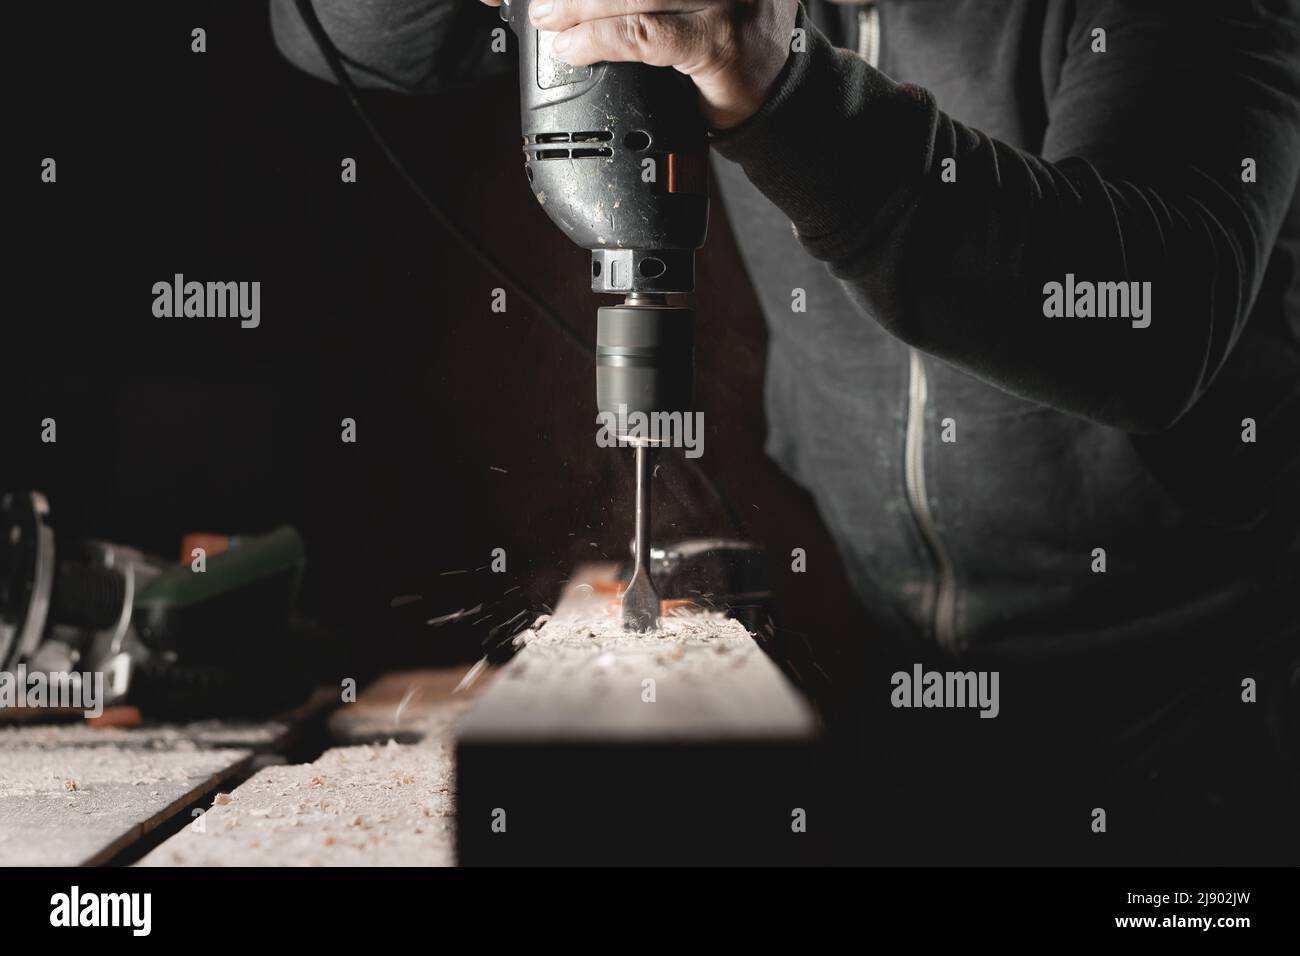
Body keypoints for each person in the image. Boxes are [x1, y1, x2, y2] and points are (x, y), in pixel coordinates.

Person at [272, 0, 1300, 857]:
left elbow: (1145, 317)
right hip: (915, 699)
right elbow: (350, 31)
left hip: (1207, 712)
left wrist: (773, 79)